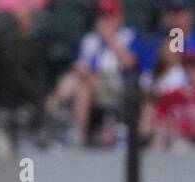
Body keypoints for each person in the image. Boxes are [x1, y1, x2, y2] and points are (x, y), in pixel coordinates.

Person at [46, 0, 138, 146]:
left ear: (118, 17)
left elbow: (130, 64)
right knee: (77, 84)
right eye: (100, 16)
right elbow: (79, 65)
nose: (103, 21)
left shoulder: (128, 36)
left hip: (116, 84)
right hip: (87, 84)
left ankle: (54, 116)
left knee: (79, 83)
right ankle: (66, 127)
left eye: (107, 16)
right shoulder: (89, 39)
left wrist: (110, 40)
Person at [147, 49, 195, 147]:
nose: (192, 69)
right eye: (188, 66)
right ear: (183, 69)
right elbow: (159, 119)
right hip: (178, 141)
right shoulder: (173, 95)